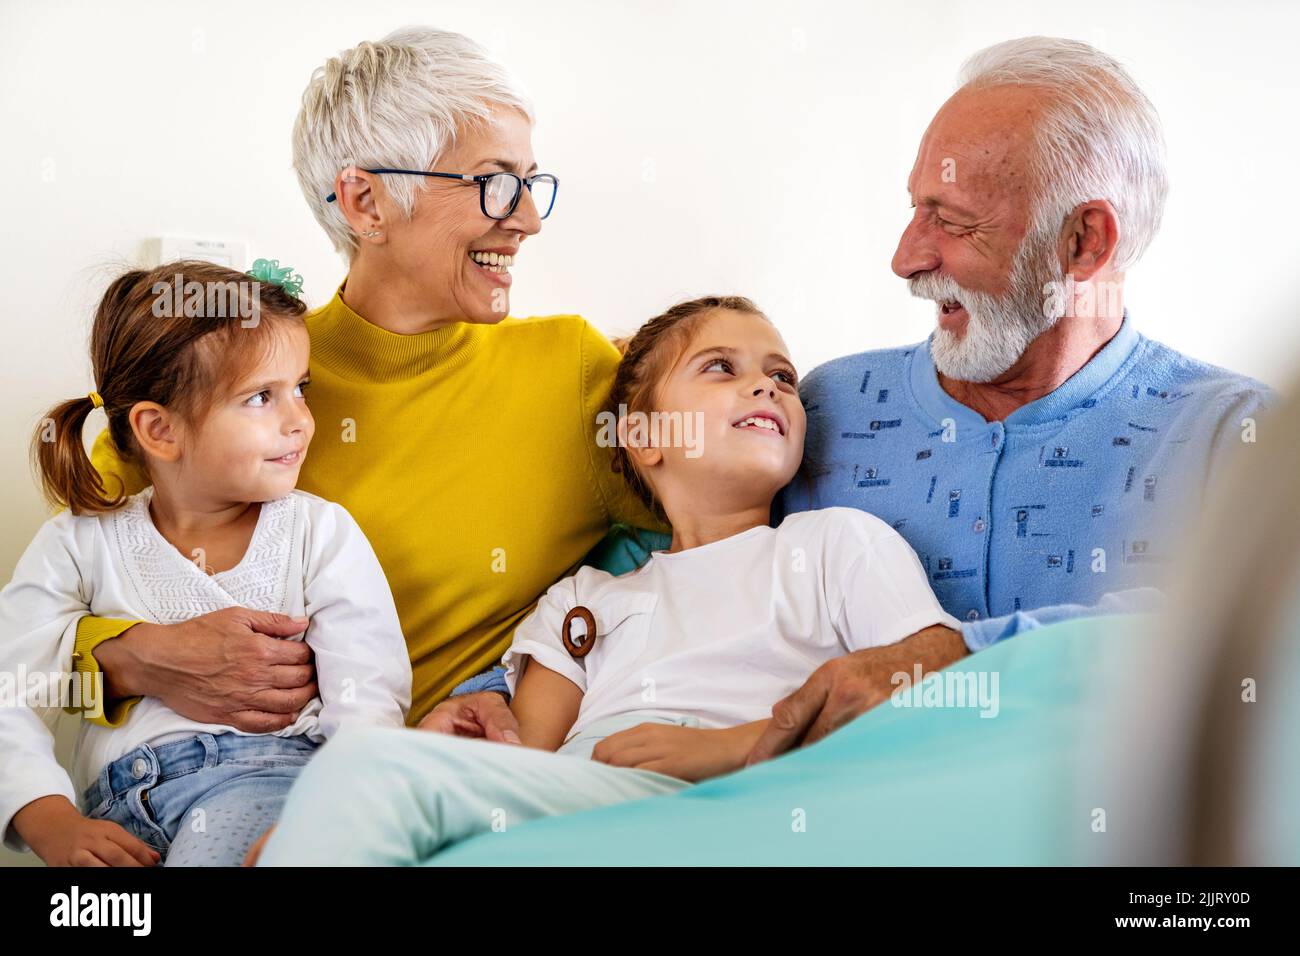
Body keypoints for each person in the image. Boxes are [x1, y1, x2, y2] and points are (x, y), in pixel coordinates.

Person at [68, 27, 668, 745]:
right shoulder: (214, 377)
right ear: (365, 202)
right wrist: (137, 659)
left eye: (531, 182)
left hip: (424, 797)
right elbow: (38, 643)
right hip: (203, 784)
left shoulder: (572, 370)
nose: (529, 220)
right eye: (496, 183)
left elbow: (733, 532)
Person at [255, 296, 960, 865]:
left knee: (372, 770)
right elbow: (525, 754)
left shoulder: (837, 542)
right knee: (387, 786)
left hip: (748, 792)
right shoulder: (584, 598)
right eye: (721, 367)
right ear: (643, 438)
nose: (766, 384)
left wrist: (729, 746)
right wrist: (471, 733)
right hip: (585, 800)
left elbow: (927, 685)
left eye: (781, 375)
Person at [752, 36, 1273, 764]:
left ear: (1085, 242)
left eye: (954, 220)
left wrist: (957, 657)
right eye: (915, 209)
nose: (907, 257)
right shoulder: (826, 405)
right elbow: (699, 567)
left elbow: (1256, 655)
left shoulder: (1243, 438)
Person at [0, 261, 411, 866]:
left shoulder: (320, 533)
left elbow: (369, 698)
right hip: (111, 818)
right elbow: (12, 691)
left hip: (264, 784)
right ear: (160, 430)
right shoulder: (77, 543)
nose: (299, 418)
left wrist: (337, 812)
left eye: (301, 387)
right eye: (261, 397)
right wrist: (50, 821)